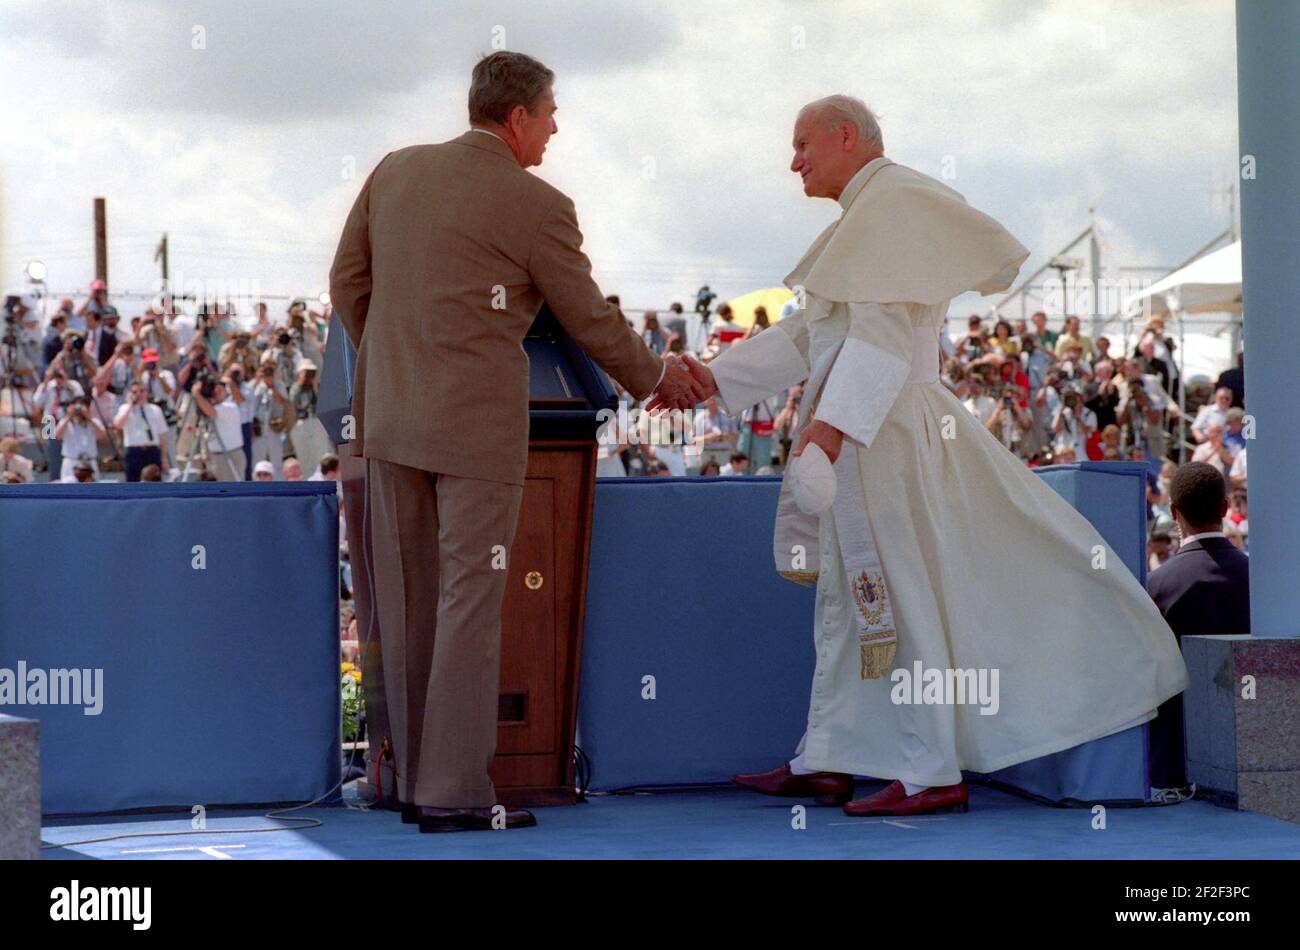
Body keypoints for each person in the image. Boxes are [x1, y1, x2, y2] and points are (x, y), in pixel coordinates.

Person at [680, 94, 1187, 818]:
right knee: (852, 601)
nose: (793, 162)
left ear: (845, 136)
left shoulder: (894, 207)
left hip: (884, 431)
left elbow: (880, 344)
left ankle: (930, 769)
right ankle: (828, 755)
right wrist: (706, 382)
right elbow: (809, 338)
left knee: (902, 595)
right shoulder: (867, 217)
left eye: (802, 146)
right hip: (863, 430)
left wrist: (823, 438)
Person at [329, 50, 702, 834]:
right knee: (470, 601)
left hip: (390, 419)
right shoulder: (539, 206)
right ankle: (455, 792)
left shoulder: (394, 172)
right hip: (476, 430)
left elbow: (346, 282)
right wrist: (656, 375)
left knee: (403, 600)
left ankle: (400, 781)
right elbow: (587, 318)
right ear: (518, 116)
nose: (557, 127)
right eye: (552, 113)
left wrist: (394, 357)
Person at [1146, 462, 1250, 789]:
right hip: (1249, 754)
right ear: (1225, 507)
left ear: (1174, 512)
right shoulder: (1261, 580)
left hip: (1174, 761)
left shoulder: (1155, 585)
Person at [113, 380, 170, 481]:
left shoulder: (155, 409)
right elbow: (118, 424)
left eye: (141, 391)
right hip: (134, 452)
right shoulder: (125, 408)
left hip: (152, 450)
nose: (139, 394)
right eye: (134, 392)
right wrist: (130, 406)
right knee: (133, 482)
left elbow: (162, 435)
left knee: (154, 482)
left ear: (147, 392)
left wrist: (164, 457)